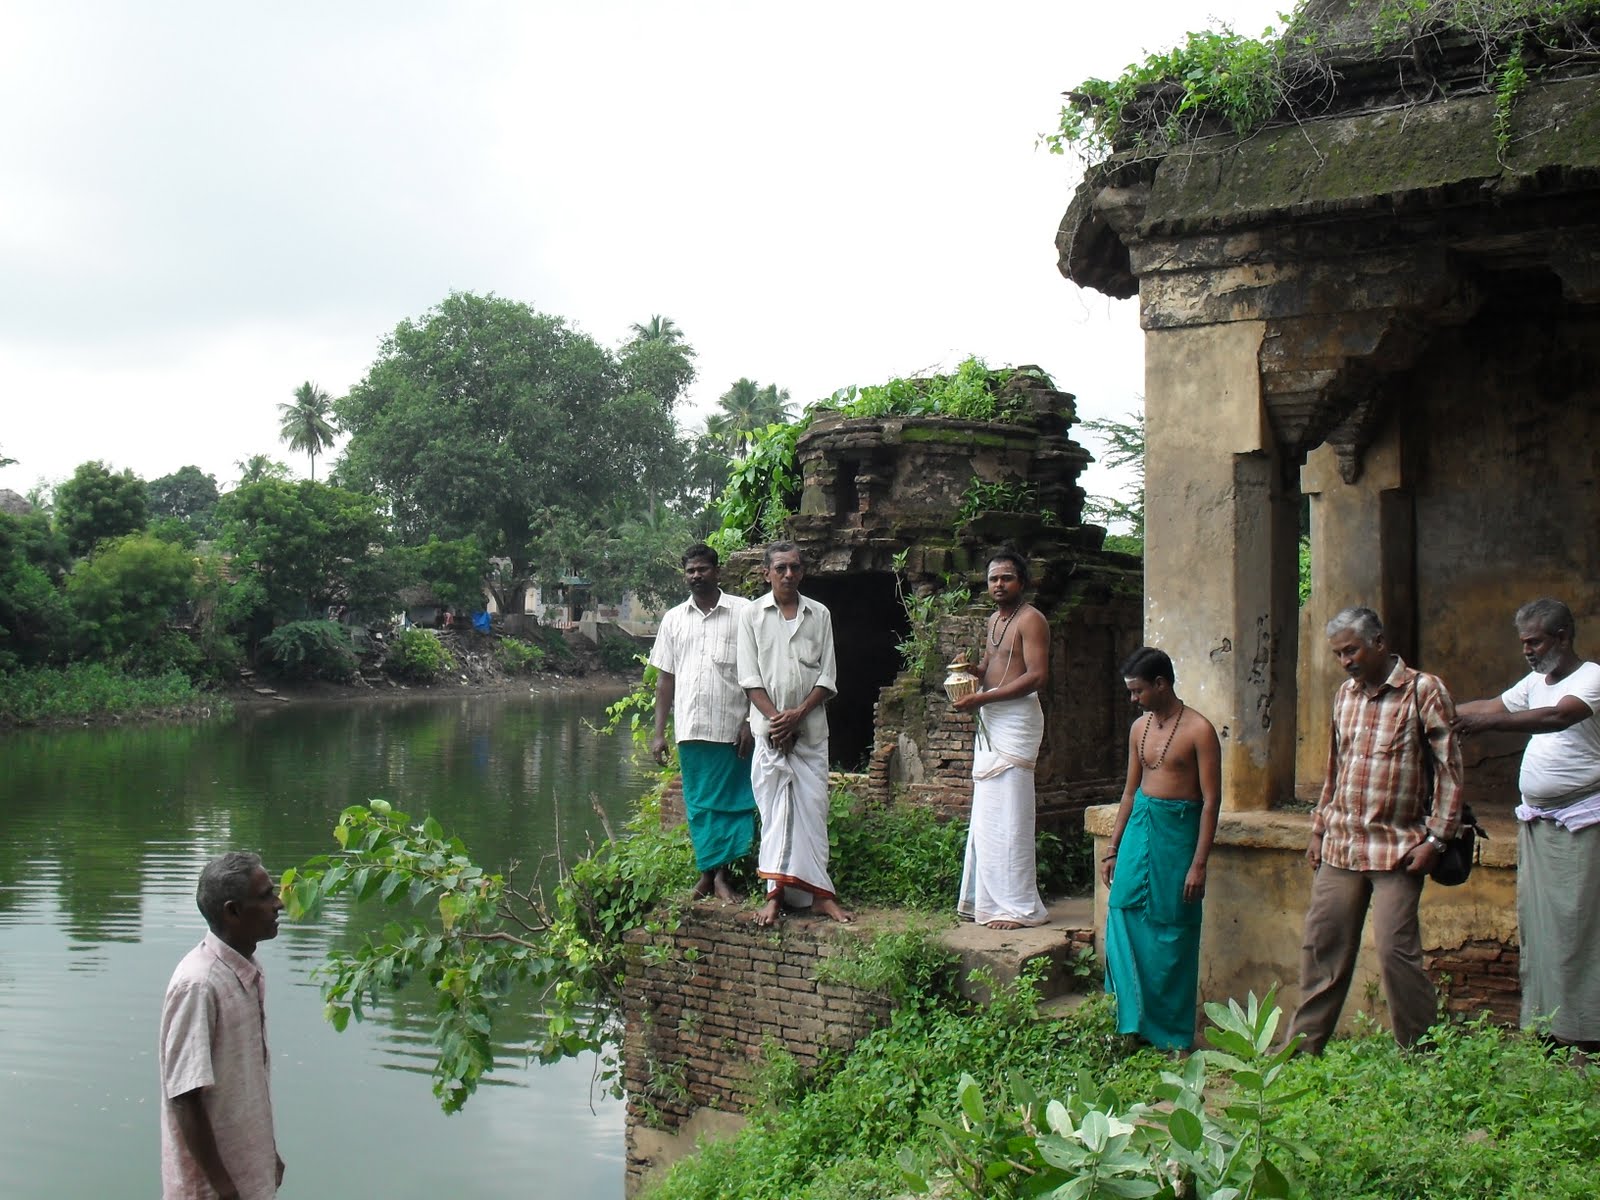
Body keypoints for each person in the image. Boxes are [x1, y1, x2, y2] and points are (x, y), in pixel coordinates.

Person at [1285, 606, 1464, 1055]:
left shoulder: (1423, 690)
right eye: (1338, 653)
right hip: (1342, 845)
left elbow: (1449, 772)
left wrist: (1437, 840)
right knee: (1321, 949)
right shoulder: (1344, 696)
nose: (1345, 660)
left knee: (1395, 954)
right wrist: (1318, 829)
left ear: (1380, 643)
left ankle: (1421, 1055)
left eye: (1352, 650)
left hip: (1399, 849)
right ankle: (1297, 1055)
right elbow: (1334, 771)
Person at [1452, 597, 1600, 1050]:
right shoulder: (1536, 681)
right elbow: (1493, 705)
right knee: (1542, 928)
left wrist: (1489, 727)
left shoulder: (1591, 677)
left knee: (1581, 929)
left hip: (1583, 822)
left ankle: (1587, 1033)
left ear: (1562, 637)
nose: (1528, 651)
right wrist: (1439, 710)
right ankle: (1551, 1026)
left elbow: (1560, 717)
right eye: (1523, 644)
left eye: (1534, 642)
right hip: (1539, 825)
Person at [1100, 647, 1221, 1049]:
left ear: (1161, 684)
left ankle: (1172, 1037)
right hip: (1139, 830)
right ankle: (1128, 1023)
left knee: (1174, 932)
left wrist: (1199, 864)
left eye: (1138, 691)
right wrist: (1113, 848)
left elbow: (1211, 802)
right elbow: (1130, 791)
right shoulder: (1140, 728)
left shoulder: (1199, 730)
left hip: (1178, 836)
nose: (1133, 699)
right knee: (1121, 912)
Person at [160, 851, 287, 1200]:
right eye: (265, 896)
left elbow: (243, 1083)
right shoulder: (199, 984)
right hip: (213, 1189)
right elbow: (185, 1097)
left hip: (247, 1174)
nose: (279, 904)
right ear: (232, 911)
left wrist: (266, 1154)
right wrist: (226, 1190)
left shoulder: (246, 970)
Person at [736, 541, 851, 926]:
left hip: (811, 732)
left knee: (814, 814)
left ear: (803, 572)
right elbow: (749, 678)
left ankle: (820, 895)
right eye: (781, 568)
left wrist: (798, 715)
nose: (789, 574)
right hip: (769, 735)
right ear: (767, 572)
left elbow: (827, 676)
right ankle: (774, 895)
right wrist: (777, 722)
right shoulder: (751, 615)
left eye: (795, 568)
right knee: (775, 816)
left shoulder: (819, 614)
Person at [649, 544, 757, 903]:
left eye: (703, 569)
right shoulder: (673, 619)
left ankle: (722, 877)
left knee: (731, 803)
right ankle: (706, 875)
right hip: (691, 729)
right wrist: (658, 732)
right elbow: (665, 680)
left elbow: (758, 672)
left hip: (732, 728)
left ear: (717, 571)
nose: (697, 575)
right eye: (691, 570)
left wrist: (749, 721)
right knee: (699, 806)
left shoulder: (743, 612)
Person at [952, 549, 1052, 929]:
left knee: (1012, 814)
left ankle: (1019, 907)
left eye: (1006, 578)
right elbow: (996, 668)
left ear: (1021, 582)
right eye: (993, 578)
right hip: (992, 716)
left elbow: (1037, 676)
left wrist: (983, 697)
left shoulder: (1032, 620)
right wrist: (972, 670)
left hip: (1016, 719)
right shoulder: (995, 619)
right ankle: (990, 901)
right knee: (989, 814)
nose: (998, 584)